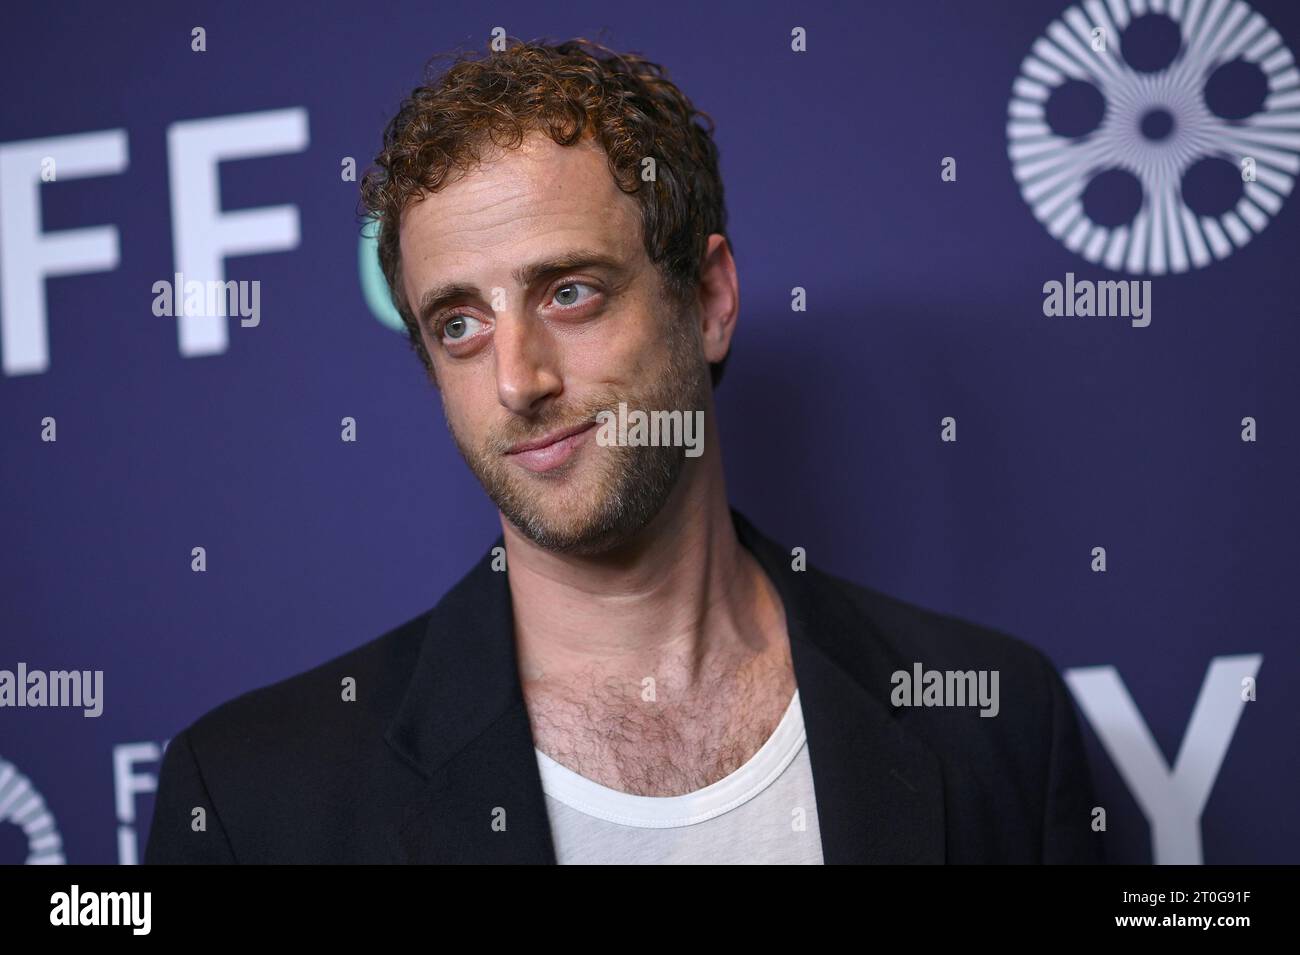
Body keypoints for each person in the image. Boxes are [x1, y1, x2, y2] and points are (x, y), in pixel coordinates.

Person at [145, 37, 1103, 865]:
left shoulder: (997, 722)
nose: (519, 379)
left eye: (569, 292)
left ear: (709, 299)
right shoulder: (252, 800)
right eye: (461, 324)